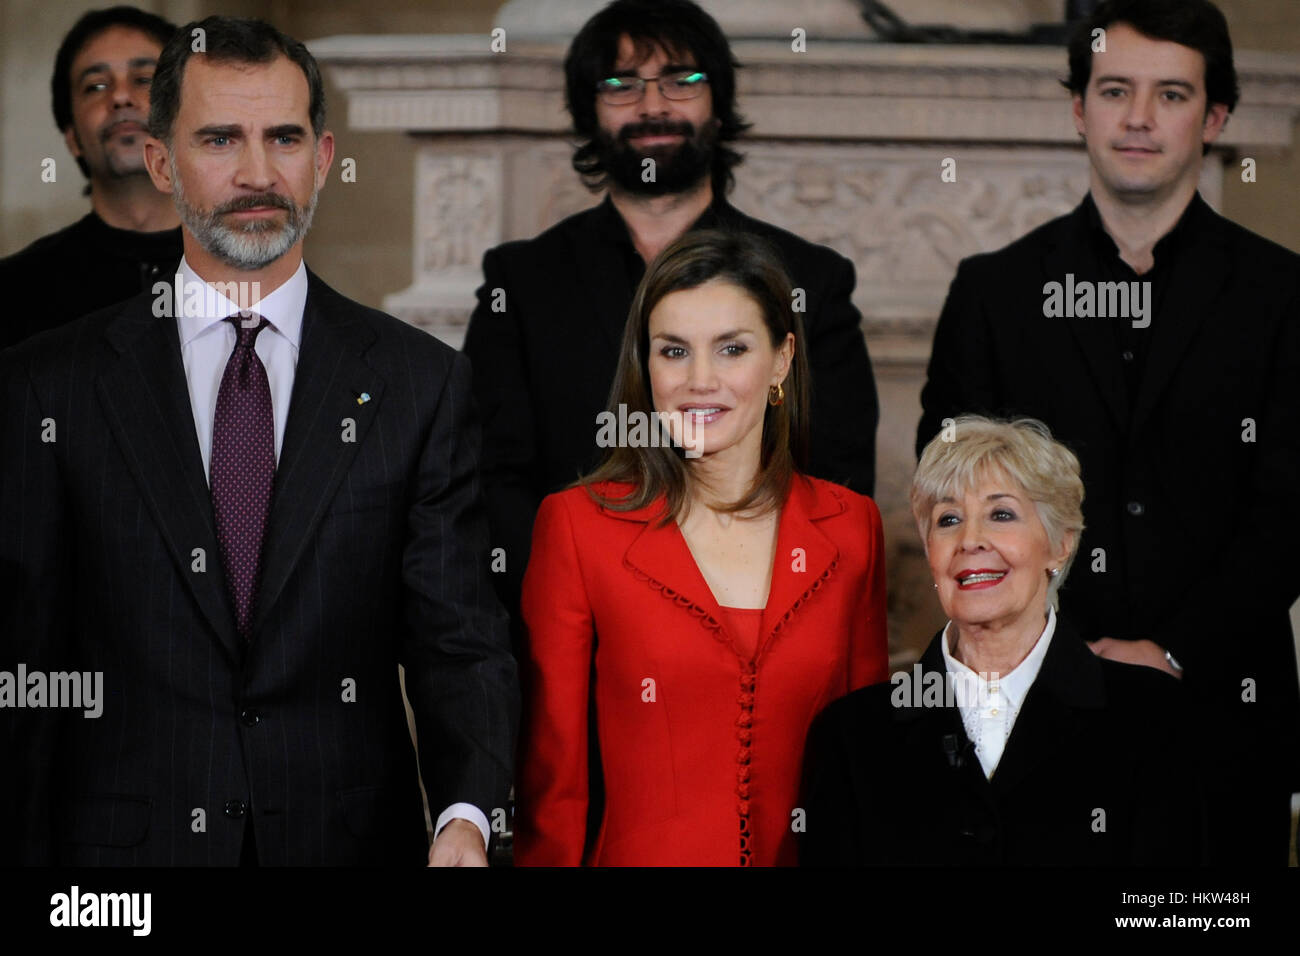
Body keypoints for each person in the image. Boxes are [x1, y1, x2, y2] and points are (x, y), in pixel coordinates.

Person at [1, 16, 517, 867]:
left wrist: (464, 813)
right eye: (219, 138)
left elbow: (458, 639)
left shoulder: (418, 383)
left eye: (282, 137)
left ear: (321, 158)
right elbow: (24, 666)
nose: (255, 173)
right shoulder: (46, 387)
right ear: (163, 162)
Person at [916, 0, 1299, 865]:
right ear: (1078, 108)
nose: (1137, 117)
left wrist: (1169, 651)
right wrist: (1066, 652)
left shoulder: (1283, 296)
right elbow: (955, 491)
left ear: (1216, 117)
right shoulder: (993, 291)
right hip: (1031, 705)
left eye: (1171, 94)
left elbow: (1291, 510)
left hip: (1222, 713)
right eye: (1115, 89)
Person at [463, 0, 879, 630]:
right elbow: (492, 477)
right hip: (576, 637)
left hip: (761, 628)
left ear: (718, 100)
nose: (652, 105)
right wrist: (576, 605)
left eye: (682, 79)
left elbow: (838, 479)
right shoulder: (521, 283)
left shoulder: (810, 281)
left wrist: (747, 606)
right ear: (588, 110)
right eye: (620, 84)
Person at [514, 229, 888, 866]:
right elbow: (555, 783)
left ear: (781, 360)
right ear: (646, 365)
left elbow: (869, 769)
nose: (700, 380)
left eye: (733, 348)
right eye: (674, 351)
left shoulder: (852, 527)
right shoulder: (577, 526)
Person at [802, 416, 1203, 865]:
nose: (970, 540)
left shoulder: (1154, 717)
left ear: (1060, 544)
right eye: (948, 519)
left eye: (1001, 514)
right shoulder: (853, 735)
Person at [0, 6, 182, 351]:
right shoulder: (14, 291)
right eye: (95, 86)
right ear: (72, 138)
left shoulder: (249, 274)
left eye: (144, 79)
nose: (120, 96)